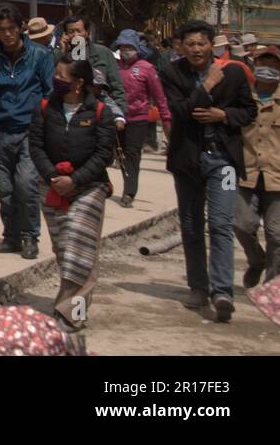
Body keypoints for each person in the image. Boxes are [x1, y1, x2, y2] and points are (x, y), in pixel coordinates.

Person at [160, 19, 256, 322]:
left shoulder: (235, 72)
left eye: (201, 43)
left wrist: (223, 114)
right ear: (181, 47)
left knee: (220, 224)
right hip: (186, 161)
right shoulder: (171, 73)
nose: (196, 49)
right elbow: (180, 111)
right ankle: (198, 286)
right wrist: (207, 85)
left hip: (223, 161)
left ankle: (222, 290)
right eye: (190, 44)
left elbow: (248, 112)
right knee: (190, 225)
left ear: (211, 45)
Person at [30, 59, 118, 330]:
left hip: (88, 187)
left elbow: (105, 153)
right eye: (55, 74)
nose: (56, 79)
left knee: (80, 246)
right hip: (52, 185)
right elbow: (36, 146)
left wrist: (75, 180)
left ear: (79, 82)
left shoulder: (101, 111)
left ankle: (71, 312)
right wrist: (53, 177)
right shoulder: (46, 107)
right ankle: (69, 304)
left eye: (61, 75)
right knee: (63, 247)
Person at [0, 6, 55, 260]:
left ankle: (30, 236)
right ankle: (10, 235)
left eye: (11, 29)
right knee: (5, 187)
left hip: (30, 131)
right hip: (2, 130)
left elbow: (50, 92)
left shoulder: (40, 55)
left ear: (20, 28)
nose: (7, 34)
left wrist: (45, 123)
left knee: (26, 184)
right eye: (1, 30)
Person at [109, 29, 171, 207]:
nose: (126, 50)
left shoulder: (146, 68)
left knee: (133, 153)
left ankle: (129, 191)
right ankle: (123, 182)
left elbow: (159, 96)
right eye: (123, 47)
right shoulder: (115, 66)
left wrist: (165, 118)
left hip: (139, 118)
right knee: (120, 153)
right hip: (118, 117)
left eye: (130, 46)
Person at [235, 46, 280, 286]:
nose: (268, 70)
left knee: (276, 235)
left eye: (274, 66)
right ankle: (256, 261)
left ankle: (272, 288)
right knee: (241, 225)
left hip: (277, 177)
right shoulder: (243, 98)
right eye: (264, 64)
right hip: (245, 174)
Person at [57, 16, 128, 125]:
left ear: (87, 32)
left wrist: (119, 114)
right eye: (71, 32)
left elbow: (117, 86)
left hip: (99, 112)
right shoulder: (61, 54)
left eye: (79, 31)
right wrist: (62, 52)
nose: (76, 35)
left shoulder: (103, 53)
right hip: (69, 112)